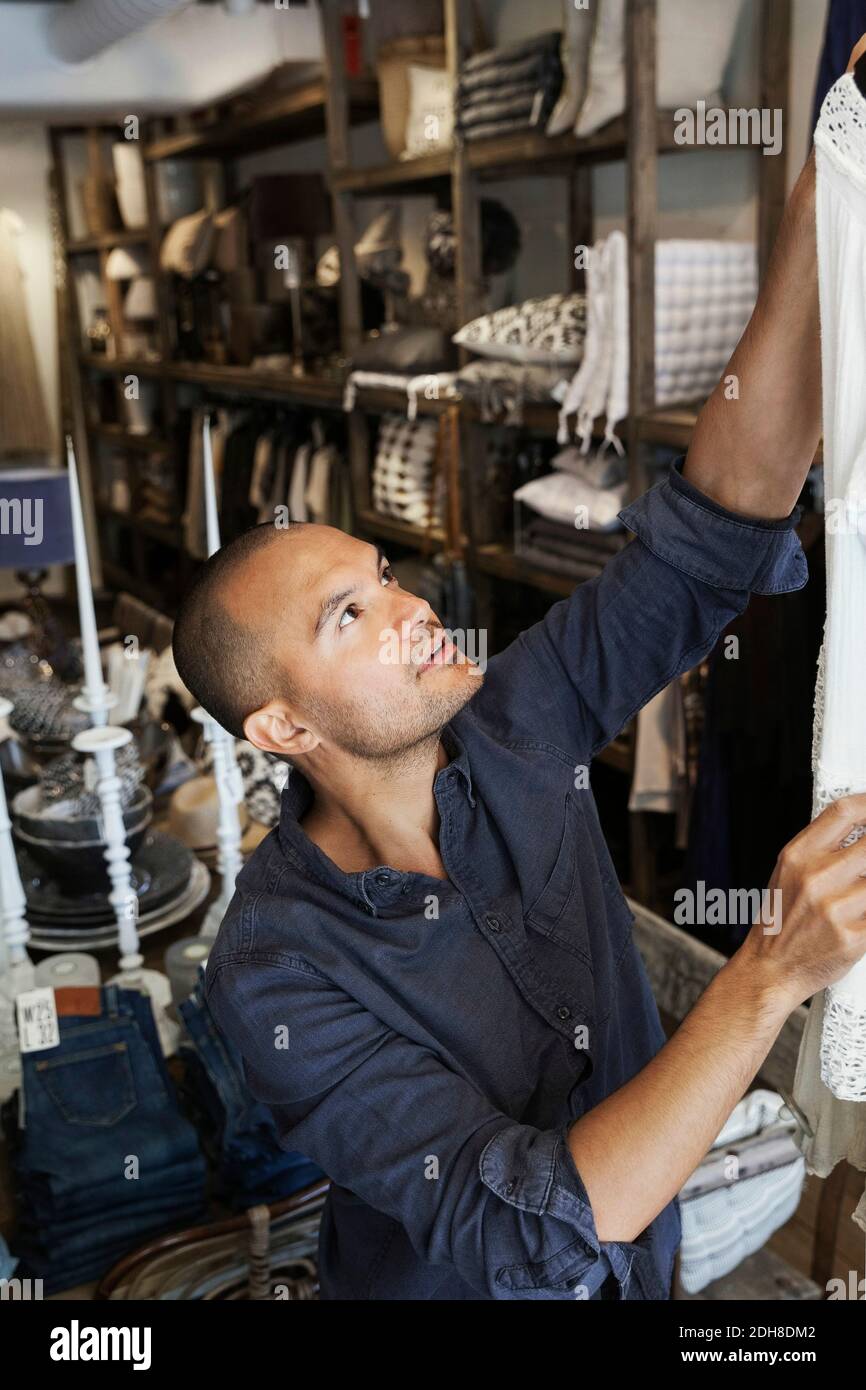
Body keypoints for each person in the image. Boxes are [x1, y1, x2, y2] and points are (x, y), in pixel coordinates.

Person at [172, 39, 866, 1301]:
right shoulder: (273, 968)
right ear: (277, 724)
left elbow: (709, 532)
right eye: (348, 615)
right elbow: (526, 1234)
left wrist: (829, 198)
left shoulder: (510, 720)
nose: (410, 607)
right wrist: (767, 970)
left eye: (384, 575)